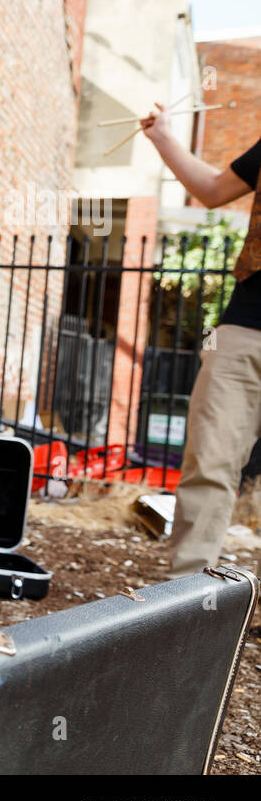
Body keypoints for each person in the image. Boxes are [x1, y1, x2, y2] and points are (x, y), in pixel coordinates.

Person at [139, 106, 260, 576]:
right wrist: (163, 137)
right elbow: (211, 190)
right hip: (241, 327)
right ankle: (187, 602)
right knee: (209, 459)